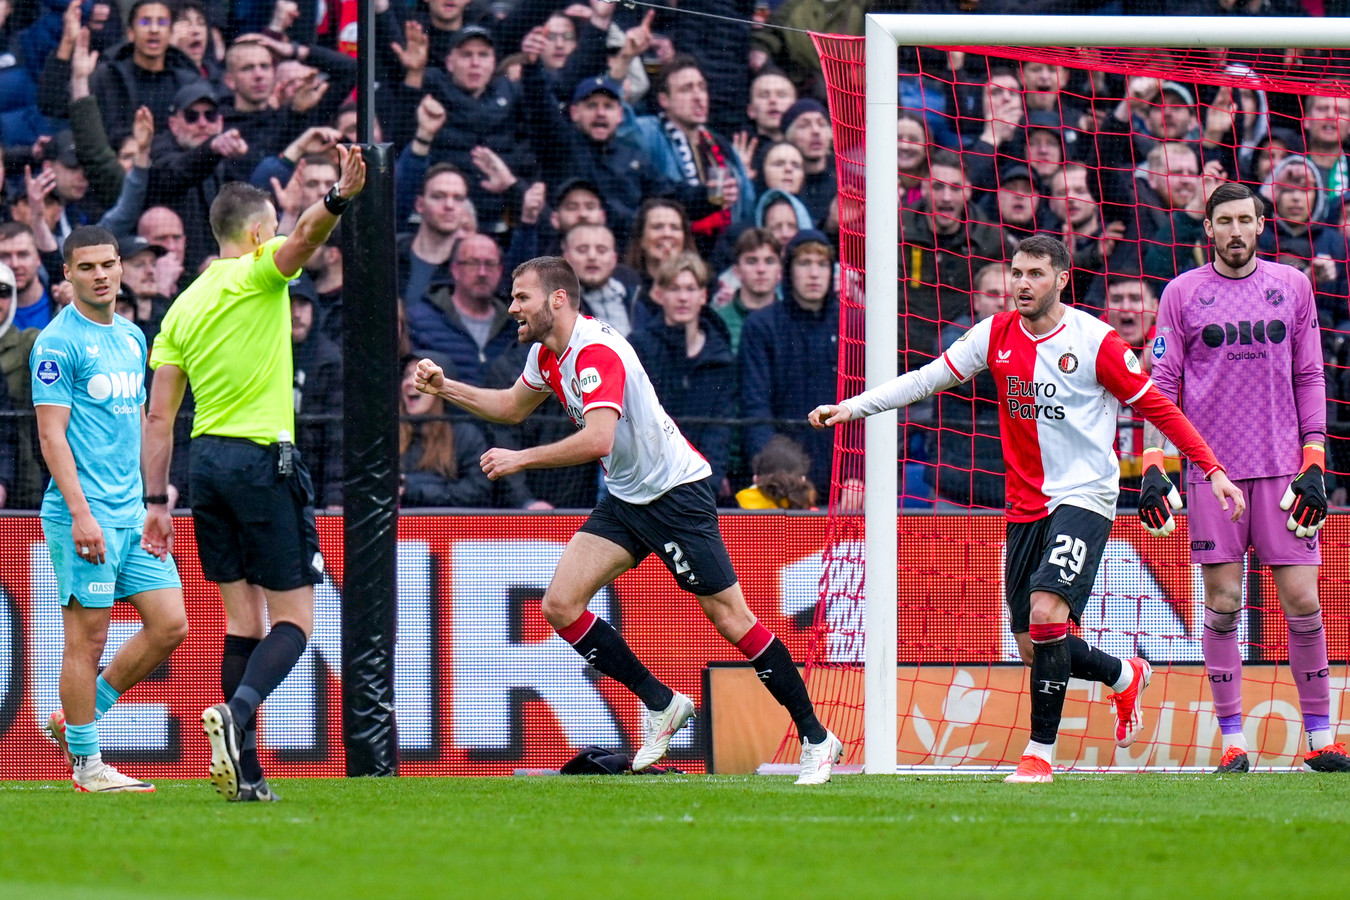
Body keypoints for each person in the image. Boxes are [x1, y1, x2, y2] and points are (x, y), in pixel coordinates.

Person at [811, 234, 1245, 783]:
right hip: (1023, 503)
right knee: (1034, 646)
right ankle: (1123, 675)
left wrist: (1212, 469)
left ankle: (1039, 755)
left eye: (1035, 274)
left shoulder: (1096, 342)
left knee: (1046, 613)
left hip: (1086, 495)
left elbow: (1159, 407)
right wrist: (852, 407)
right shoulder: (993, 334)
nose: (1022, 283)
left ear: (1062, 279)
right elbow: (925, 380)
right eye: (1017, 273)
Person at [414, 255, 843, 783]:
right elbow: (510, 407)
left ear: (557, 299)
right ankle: (662, 703)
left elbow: (599, 439)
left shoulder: (595, 352)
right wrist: (445, 388)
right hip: (625, 498)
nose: (512, 307)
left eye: (521, 297)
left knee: (733, 620)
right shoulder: (546, 353)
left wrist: (520, 459)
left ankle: (816, 738)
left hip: (676, 495)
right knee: (560, 604)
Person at [142, 145, 367, 802]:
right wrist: (339, 196)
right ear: (259, 232)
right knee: (296, 621)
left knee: (243, 623)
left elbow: (158, 417)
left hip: (206, 465)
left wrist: (157, 501)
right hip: (262, 459)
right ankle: (236, 712)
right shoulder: (259, 274)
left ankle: (248, 775)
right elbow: (306, 240)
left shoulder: (181, 308)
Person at [1142, 182, 1349, 775]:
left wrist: (1315, 458)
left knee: (1303, 600)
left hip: (1284, 469)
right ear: (1208, 228)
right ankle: (1232, 741)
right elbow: (1161, 384)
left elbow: (1310, 375)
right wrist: (1154, 463)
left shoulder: (1293, 286)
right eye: (1224, 221)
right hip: (1214, 473)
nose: (1235, 231)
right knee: (1224, 603)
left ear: (1261, 225)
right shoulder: (1181, 294)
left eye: (1244, 220)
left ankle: (1321, 738)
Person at [32, 224, 186, 792]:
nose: (100, 275)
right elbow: (51, 435)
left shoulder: (132, 337)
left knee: (170, 624)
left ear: (121, 267)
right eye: (87, 267)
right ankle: (87, 765)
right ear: (68, 274)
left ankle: (77, 720)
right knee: (87, 639)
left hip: (132, 514)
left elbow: (140, 423)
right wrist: (80, 513)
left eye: (108, 264)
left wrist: (154, 498)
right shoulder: (56, 343)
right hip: (84, 514)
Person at [398, 355, 492, 508]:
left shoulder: (465, 435)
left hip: (447, 521)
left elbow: (477, 491)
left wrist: (415, 490)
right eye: (407, 376)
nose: (409, 382)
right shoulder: (390, 434)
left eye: (420, 377)